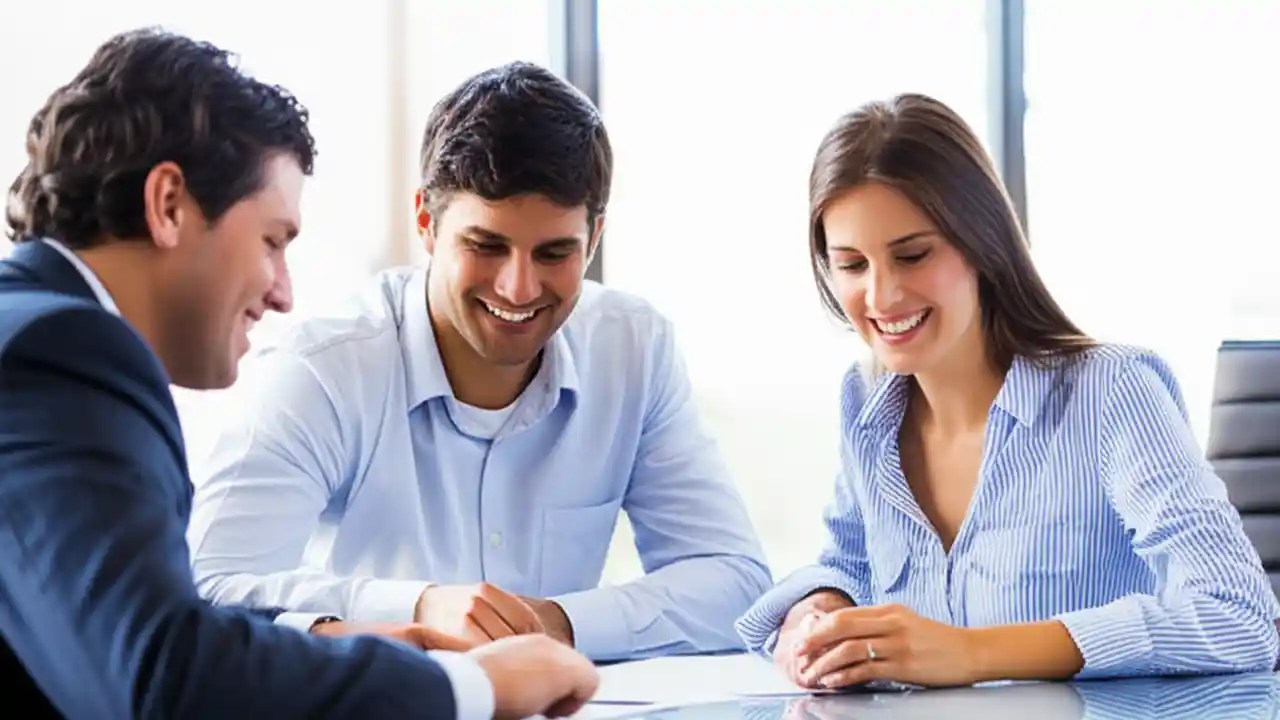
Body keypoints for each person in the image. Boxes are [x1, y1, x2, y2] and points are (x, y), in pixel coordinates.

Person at [0, 27, 596, 719]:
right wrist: (478, 688)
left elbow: (114, 649)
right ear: (169, 206)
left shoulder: (31, 333)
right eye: (272, 241)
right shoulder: (65, 353)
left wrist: (381, 649)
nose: (283, 291)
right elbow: (165, 673)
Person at [185, 60, 770, 661]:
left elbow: (735, 583)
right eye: (485, 245)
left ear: (593, 240)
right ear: (426, 223)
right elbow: (209, 584)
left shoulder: (633, 351)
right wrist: (417, 608)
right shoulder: (325, 367)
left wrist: (558, 623)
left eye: (554, 253)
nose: (519, 288)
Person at [735, 93, 1280, 688]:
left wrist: (971, 653)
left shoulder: (1114, 392)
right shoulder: (866, 402)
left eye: (913, 255)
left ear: (980, 243)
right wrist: (821, 608)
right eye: (852, 265)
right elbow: (851, 563)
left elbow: (1239, 615)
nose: (882, 296)